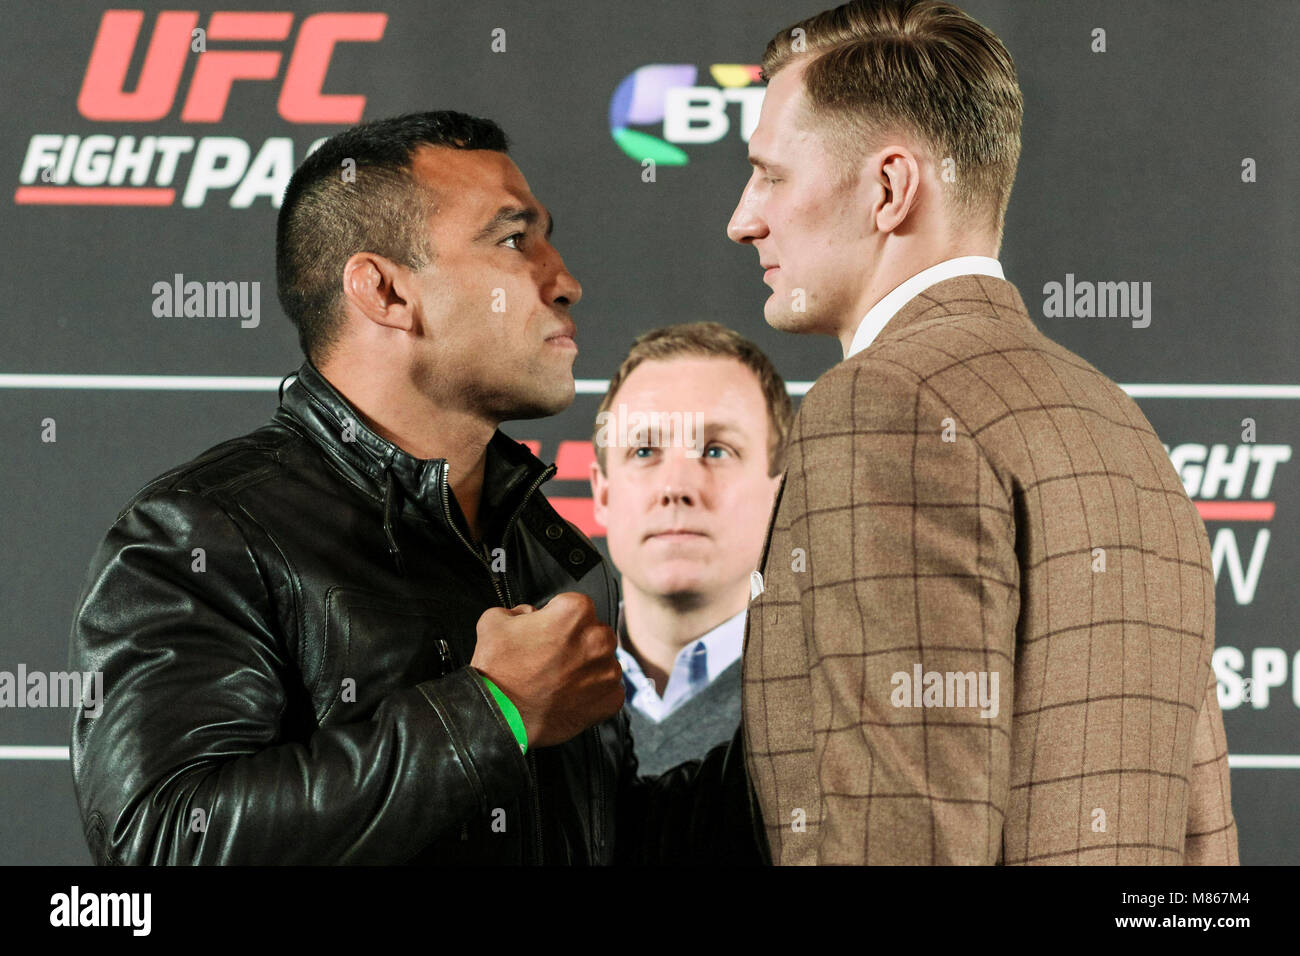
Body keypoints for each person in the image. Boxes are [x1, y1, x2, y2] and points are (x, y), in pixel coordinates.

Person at [69, 111, 756, 865]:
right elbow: (164, 843)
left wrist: (799, 728)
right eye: (513, 239)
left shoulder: (540, 545)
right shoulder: (205, 531)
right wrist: (492, 711)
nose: (565, 281)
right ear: (385, 292)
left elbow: (595, 840)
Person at [727, 0, 1238, 864]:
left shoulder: (882, 405)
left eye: (770, 175)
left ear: (889, 189)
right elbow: (1201, 851)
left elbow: (905, 841)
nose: (744, 219)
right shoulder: (1117, 422)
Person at [589, 323, 789, 774]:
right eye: (643, 451)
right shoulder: (525, 705)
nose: (676, 487)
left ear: (780, 497)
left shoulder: (841, 703)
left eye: (717, 451)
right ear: (602, 495)